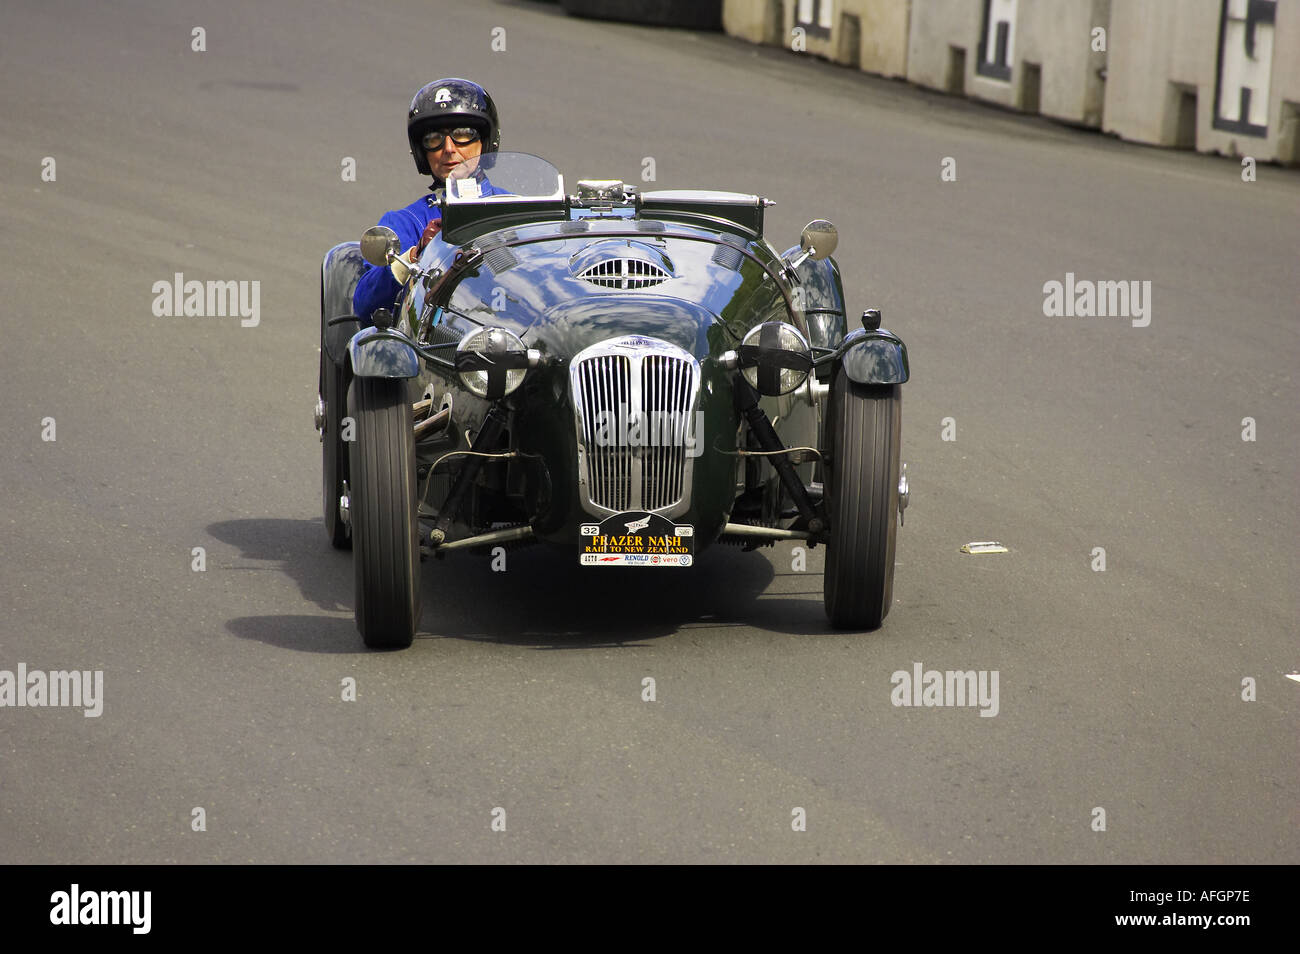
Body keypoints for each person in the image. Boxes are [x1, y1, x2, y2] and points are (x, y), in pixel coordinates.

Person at [352, 78, 504, 325]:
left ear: (485, 141)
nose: (449, 148)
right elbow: (364, 304)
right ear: (423, 153)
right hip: (437, 341)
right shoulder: (404, 222)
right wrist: (417, 254)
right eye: (434, 139)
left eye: (463, 135)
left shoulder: (520, 207)